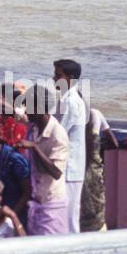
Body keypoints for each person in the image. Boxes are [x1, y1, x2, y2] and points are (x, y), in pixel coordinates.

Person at [17, 84, 70, 235]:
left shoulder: (57, 133)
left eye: (29, 107)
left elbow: (56, 172)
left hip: (52, 204)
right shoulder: (33, 127)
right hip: (37, 201)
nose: (26, 111)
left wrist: (34, 147)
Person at [53, 58, 87, 233]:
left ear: (70, 78)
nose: (54, 79)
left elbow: (58, 131)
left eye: (58, 75)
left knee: (69, 216)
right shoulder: (67, 99)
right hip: (68, 167)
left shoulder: (71, 101)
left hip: (70, 168)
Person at [81, 106, 120, 232]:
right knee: (97, 202)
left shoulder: (75, 115)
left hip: (80, 167)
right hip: (95, 168)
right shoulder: (96, 113)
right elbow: (114, 143)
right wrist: (97, 148)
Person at [0, 133, 32, 226]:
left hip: (16, 213)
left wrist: (11, 216)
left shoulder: (14, 159)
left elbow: (27, 191)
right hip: (1, 212)